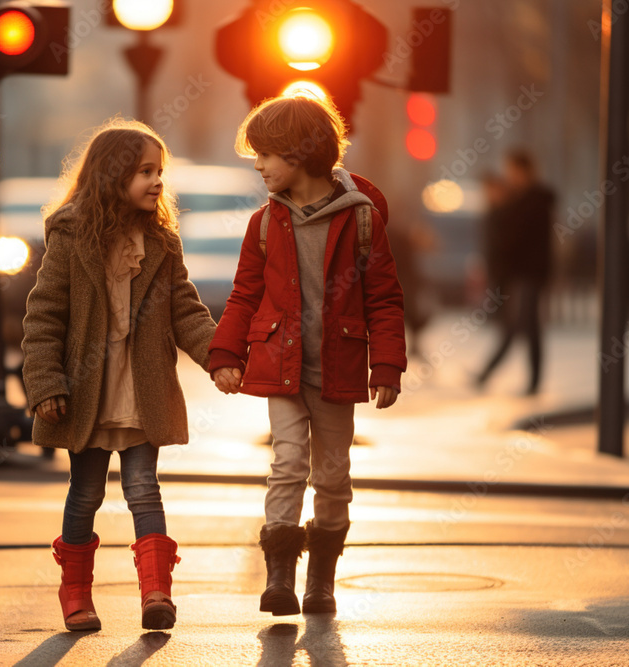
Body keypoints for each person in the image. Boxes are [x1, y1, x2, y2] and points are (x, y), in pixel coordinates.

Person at [207, 95, 407, 616]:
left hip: (338, 371)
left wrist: (387, 365)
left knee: (333, 476)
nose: (257, 165)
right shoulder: (265, 223)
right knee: (288, 462)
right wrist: (226, 353)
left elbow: (384, 299)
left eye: (265, 154)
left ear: (298, 153)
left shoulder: (363, 221)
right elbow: (244, 295)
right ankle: (279, 578)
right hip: (281, 368)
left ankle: (321, 581)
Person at [21, 120, 216, 632]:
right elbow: (44, 316)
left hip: (141, 392)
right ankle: (75, 594)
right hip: (87, 393)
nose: (157, 181)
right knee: (85, 493)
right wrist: (46, 383)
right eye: (145, 171)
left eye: (159, 172)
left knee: (144, 488)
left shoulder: (161, 242)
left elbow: (186, 310)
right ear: (112, 175)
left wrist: (220, 357)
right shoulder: (70, 237)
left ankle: (156, 594)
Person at [476, 149, 555, 395]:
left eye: (512, 171)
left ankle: (500, 376)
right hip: (517, 275)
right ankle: (492, 374)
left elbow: (519, 240)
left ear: (524, 171)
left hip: (528, 274)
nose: (509, 176)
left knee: (523, 327)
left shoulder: (534, 202)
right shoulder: (519, 200)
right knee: (522, 327)